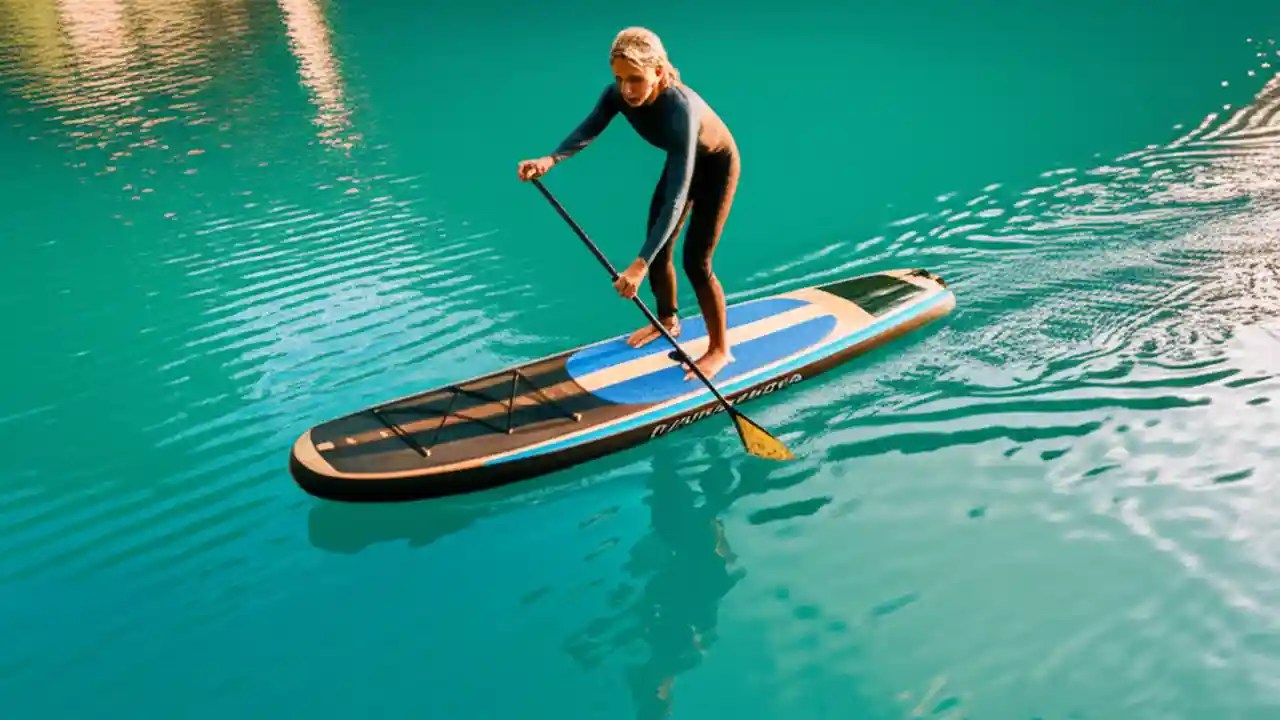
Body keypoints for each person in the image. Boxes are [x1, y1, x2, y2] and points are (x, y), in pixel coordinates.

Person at [518, 26, 741, 382]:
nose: (627, 89)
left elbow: (678, 193)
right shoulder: (618, 95)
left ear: (659, 71)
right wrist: (551, 159)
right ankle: (667, 320)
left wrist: (637, 265)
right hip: (681, 161)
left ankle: (719, 350)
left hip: (715, 166)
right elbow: (590, 127)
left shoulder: (681, 108)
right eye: (620, 78)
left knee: (696, 262)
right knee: (656, 248)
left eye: (636, 79)